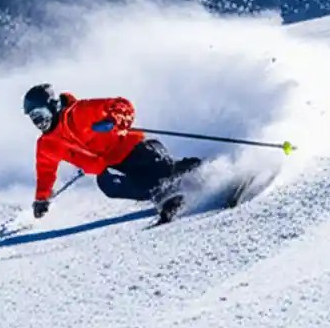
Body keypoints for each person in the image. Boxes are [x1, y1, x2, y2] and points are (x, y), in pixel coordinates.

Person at [23, 83, 201, 223]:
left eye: (40, 114)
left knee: (159, 168)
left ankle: (198, 173)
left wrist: (115, 120)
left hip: (136, 148)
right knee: (108, 184)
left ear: (53, 105)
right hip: (115, 166)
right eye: (33, 117)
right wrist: (41, 199)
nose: (38, 122)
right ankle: (164, 194)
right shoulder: (47, 145)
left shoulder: (79, 112)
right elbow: (45, 173)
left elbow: (121, 104)